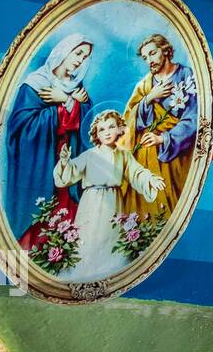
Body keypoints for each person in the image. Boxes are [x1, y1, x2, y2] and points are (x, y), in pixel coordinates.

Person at [54, 110, 166, 283]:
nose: (107, 133)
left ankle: (108, 276)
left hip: (114, 201)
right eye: (102, 129)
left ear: (120, 129)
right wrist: (64, 162)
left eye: (111, 127)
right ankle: (84, 276)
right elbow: (69, 174)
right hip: (91, 202)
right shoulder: (89, 155)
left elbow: (136, 173)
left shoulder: (123, 155)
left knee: (111, 239)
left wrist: (150, 179)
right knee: (89, 238)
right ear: (96, 134)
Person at [4, 34, 94, 248]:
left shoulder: (76, 87)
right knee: (44, 210)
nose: (81, 59)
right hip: (43, 159)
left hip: (68, 157)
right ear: (65, 50)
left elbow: (90, 120)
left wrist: (66, 100)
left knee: (66, 207)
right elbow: (21, 127)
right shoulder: (35, 84)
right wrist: (65, 108)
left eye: (86, 57)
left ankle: (62, 249)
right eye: (78, 52)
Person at [121, 33, 198, 221]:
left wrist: (163, 138)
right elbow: (128, 119)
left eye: (152, 54)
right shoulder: (145, 85)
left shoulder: (187, 76)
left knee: (174, 207)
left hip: (175, 156)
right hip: (146, 157)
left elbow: (194, 118)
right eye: (145, 57)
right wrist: (149, 98)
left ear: (165, 51)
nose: (149, 61)